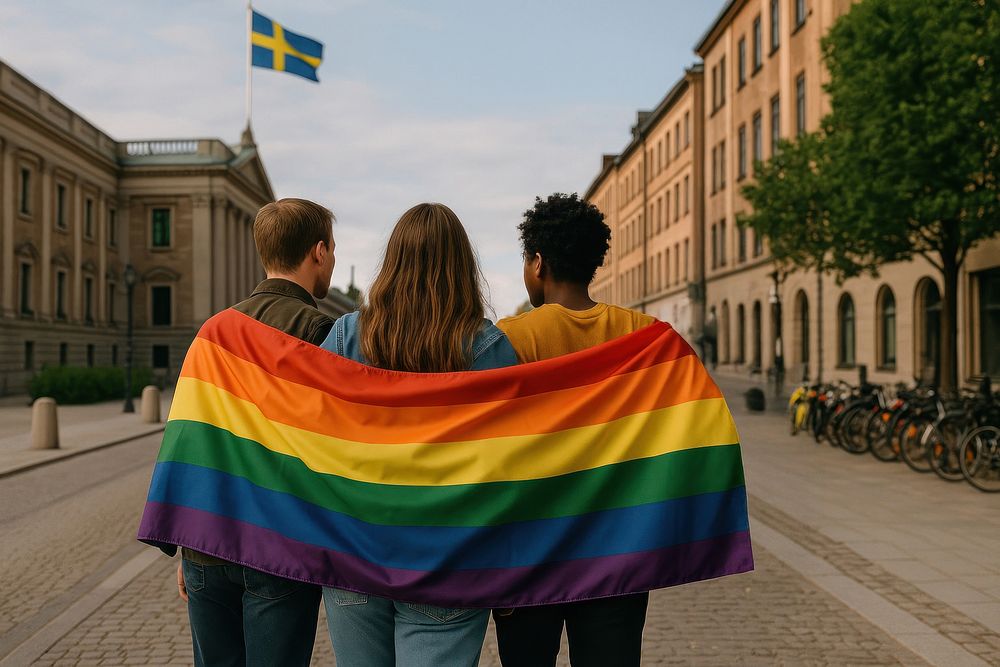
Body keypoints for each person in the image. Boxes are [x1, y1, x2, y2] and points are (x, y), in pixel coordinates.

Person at [319, 203, 518, 667]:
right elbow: (510, 467)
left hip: (355, 553)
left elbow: (314, 438)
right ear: (462, 269)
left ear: (392, 264)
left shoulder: (347, 336)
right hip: (449, 558)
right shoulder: (488, 348)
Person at [494, 193, 654, 667]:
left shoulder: (510, 337)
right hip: (616, 549)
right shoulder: (643, 336)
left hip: (526, 549)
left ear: (538, 263)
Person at [175, 198, 335, 667]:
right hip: (279, 546)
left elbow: (189, 436)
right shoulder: (320, 330)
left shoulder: (213, 331)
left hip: (207, 543)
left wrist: (185, 537)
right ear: (319, 252)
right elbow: (331, 445)